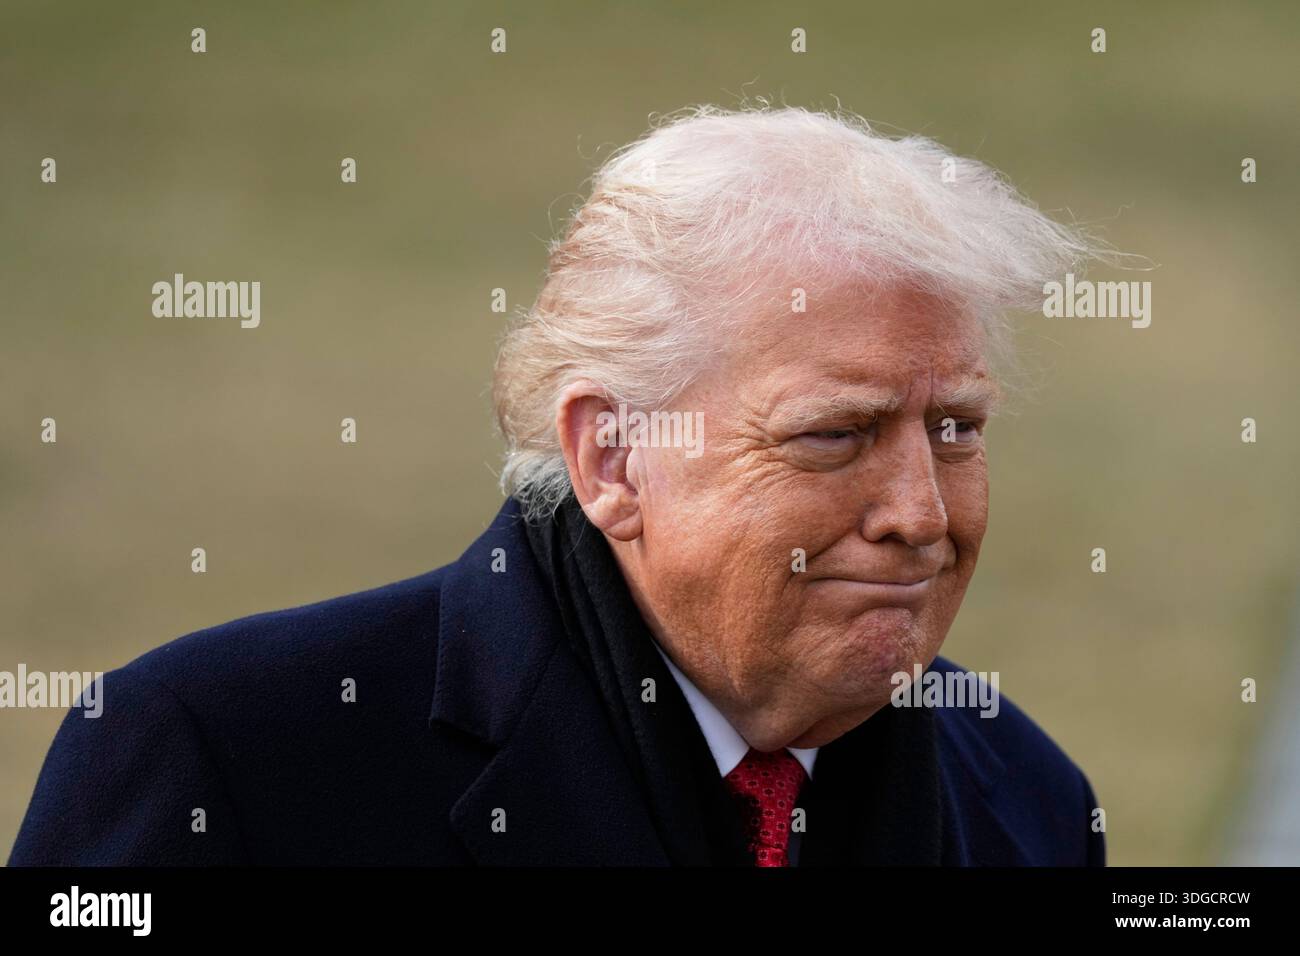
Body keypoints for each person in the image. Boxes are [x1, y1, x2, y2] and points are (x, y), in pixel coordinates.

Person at [10, 105, 1104, 866]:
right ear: (612, 457)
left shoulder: (1030, 799)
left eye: (954, 428)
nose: (920, 512)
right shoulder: (222, 758)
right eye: (833, 434)